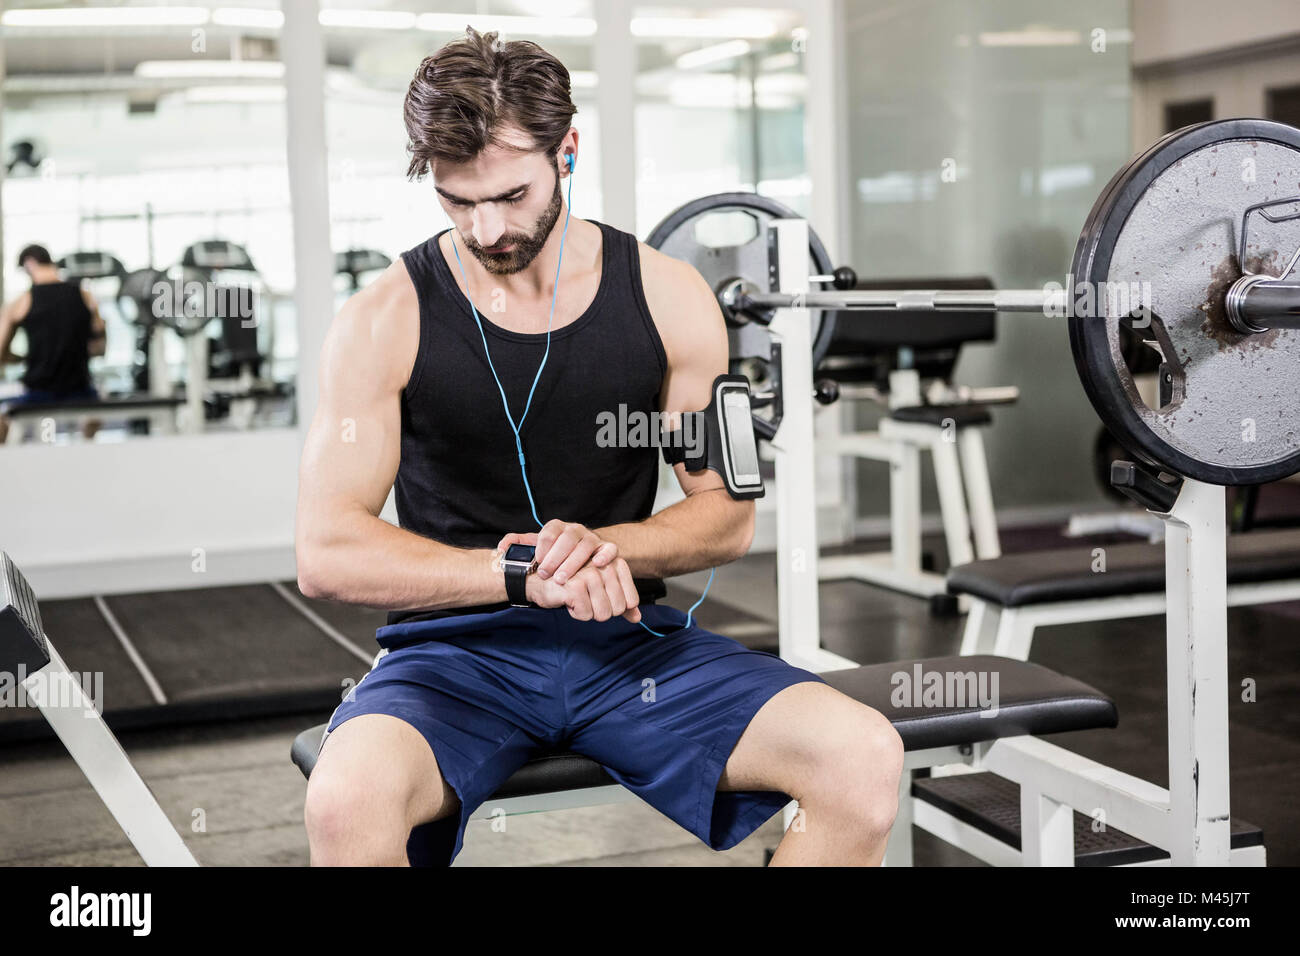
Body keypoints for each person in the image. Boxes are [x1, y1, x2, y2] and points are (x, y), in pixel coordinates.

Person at [295, 27, 903, 867]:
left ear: (567, 151)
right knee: (342, 801)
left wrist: (602, 550)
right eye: (456, 200)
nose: (485, 227)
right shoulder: (381, 319)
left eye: (510, 194)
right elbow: (325, 552)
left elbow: (725, 519)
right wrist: (518, 574)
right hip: (453, 660)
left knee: (861, 760)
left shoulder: (668, 295)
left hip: (630, 647)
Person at [0, 244, 106, 442]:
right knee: (91, 419)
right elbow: (100, 347)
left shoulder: (22, 302)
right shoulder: (85, 296)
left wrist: (23, 359)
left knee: (5, 420)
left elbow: (1, 353)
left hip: (39, 393)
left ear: (29, 264)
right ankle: (87, 453)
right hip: (80, 391)